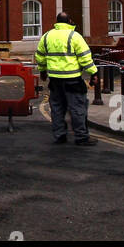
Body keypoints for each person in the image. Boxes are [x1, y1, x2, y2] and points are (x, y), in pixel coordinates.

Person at [34, 11, 98, 146]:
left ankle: (59, 135)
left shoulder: (47, 36)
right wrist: (93, 73)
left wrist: (43, 71)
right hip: (73, 79)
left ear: (57, 22)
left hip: (55, 80)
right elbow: (85, 57)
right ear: (69, 21)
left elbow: (40, 56)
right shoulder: (75, 36)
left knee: (57, 108)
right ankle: (81, 137)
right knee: (77, 109)